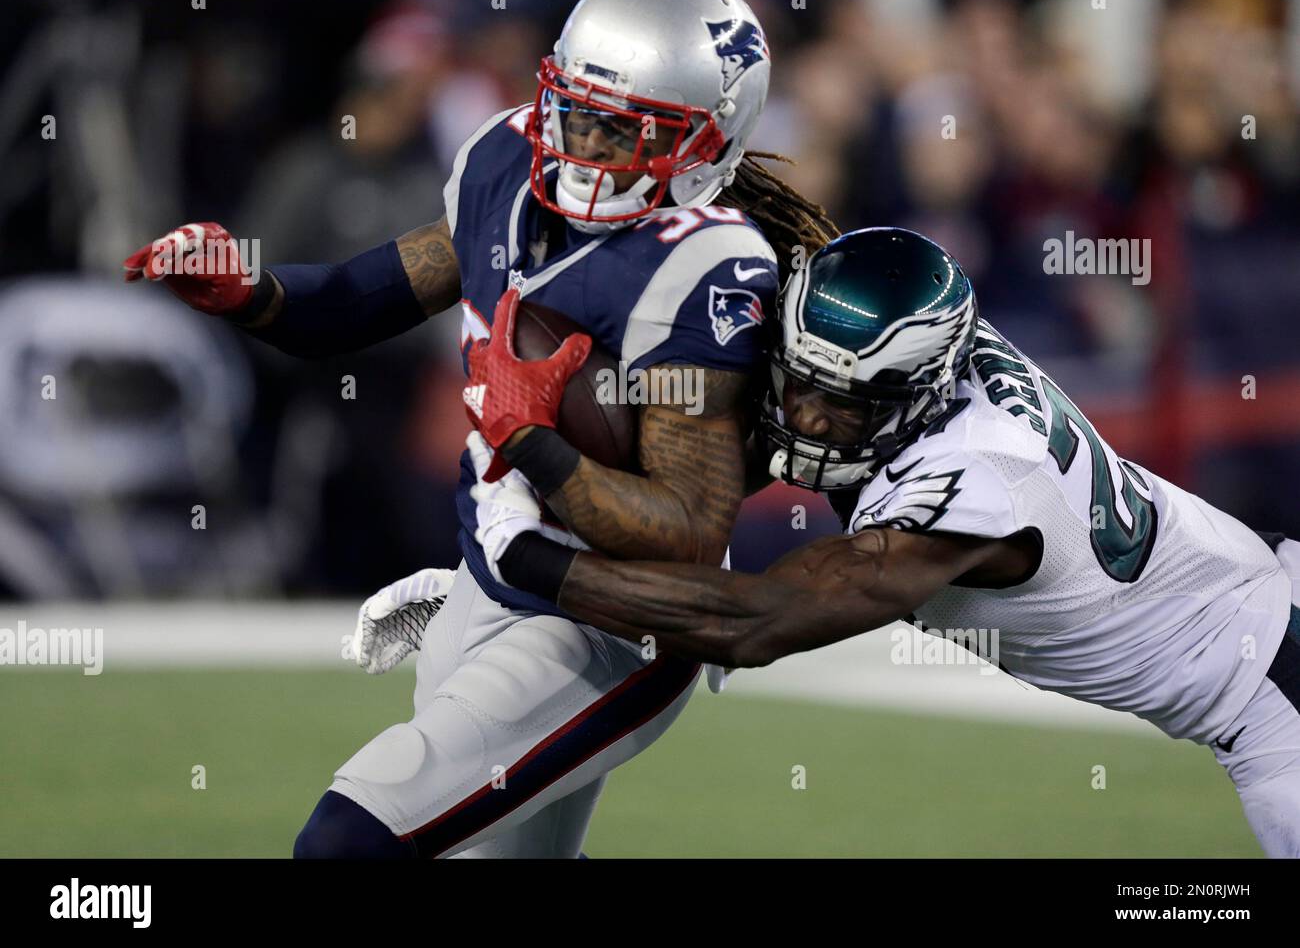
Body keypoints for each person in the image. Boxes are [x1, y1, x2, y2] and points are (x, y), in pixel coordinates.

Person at [122, 0, 838, 858]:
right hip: (489, 580)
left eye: (621, 134)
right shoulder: (506, 158)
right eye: (574, 112)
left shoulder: (705, 271)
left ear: (706, 144)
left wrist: (531, 442)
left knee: (347, 841)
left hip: (607, 631)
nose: (581, 150)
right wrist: (253, 293)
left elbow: (688, 533)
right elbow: (363, 295)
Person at [468, 226, 1300, 858]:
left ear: (918, 396)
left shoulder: (977, 482)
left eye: (845, 404)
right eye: (798, 382)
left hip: (1273, 682)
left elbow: (754, 624)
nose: (806, 417)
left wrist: (523, 555)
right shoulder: (903, 340)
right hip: (1261, 579)